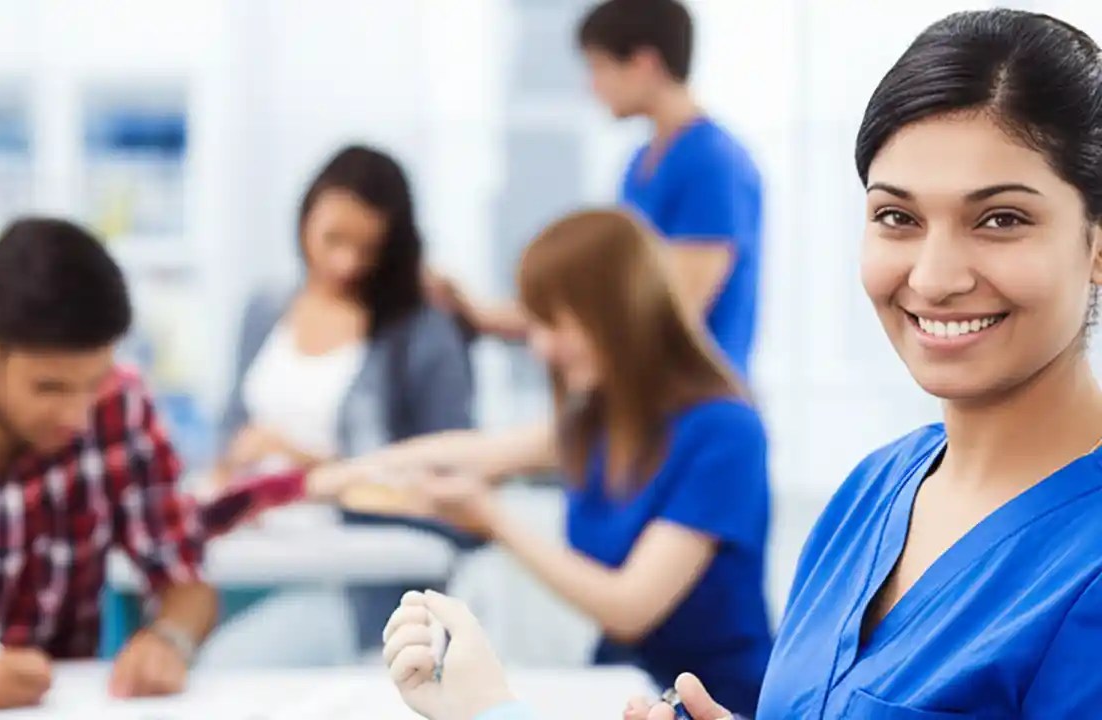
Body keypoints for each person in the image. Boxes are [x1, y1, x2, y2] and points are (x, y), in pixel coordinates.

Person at [384, 8, 1102, 719]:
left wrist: (493, 714)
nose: (935, 275)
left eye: (1001, 219)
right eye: (897, 217)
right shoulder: (872, 496)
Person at [0, 218, 345, 710]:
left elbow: (185, 581)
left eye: (92, 383)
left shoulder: (122, 407)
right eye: (49, 387)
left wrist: (169, 640)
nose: (75, 415)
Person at [346, 208, 772, 712]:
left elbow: (630, 606)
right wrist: (330, 478)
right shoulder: (603, 420)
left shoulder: (725, 434)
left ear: (615, 316)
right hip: (622, 686)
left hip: (715, 703)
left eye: (554, 325)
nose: (541, 348)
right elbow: (471, 454)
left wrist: (494, 521)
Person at [214, 144, 475, 654]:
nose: (345, 262)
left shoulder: (422, 335)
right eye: (332, 239)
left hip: (358, 581)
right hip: (251, 558)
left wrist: (305, 465)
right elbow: (231, 428)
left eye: (368, 249)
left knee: (238, 662)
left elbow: (452, 485)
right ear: (305, 215)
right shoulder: (265, 309)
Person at [426, 0, 763, 378]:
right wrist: (483, 313)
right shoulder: (641, 164)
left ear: (644, 64)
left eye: (599, 67)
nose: (592, 86)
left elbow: (673, 310)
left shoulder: (713, 162)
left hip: (694, 399)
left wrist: (566, 340)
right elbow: (610, 297)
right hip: (643, 398)